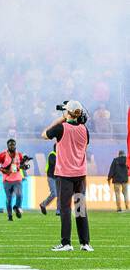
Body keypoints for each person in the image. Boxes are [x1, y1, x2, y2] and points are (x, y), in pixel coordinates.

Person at [45, 100, 92, 251]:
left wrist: (61, 119)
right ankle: (85, 243)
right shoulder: (85, 130)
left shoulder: (61, 127)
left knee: (65, 208)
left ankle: (66, 243)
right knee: (80, 208)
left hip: (65, 174)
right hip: (80, 174)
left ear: (68, 113)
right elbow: (84, 147)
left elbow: (44, 135)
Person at [0, 139, 26, 221]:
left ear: (15, 145)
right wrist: (2, 170)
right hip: (7, 180)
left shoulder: (19, 155)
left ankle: (17, 207)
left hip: (17, 179)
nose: (12, 146)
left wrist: (24, 167)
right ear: (7, 146)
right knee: (9, 198)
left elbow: (21, 166)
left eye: (13, 144)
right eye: (10, 145)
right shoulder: (3, 155)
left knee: (19, 195)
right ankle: (10, 216)